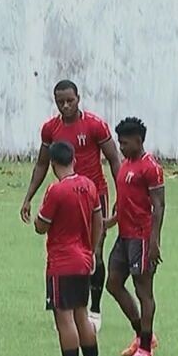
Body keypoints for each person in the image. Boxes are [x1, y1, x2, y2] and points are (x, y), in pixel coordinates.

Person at [20, 80, 121, 331]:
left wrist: (122, 195)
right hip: (66, 198)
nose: (65, 106)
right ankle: (73, 308)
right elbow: (42, 164)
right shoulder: (50, 129)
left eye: (70, 101)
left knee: (94, 251)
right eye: (60, 102)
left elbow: (113, 158)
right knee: (68, 251)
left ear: (79, 98)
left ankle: (94, 309)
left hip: (94, 194)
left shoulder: (95, 125)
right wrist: (29, 196)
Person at [34, 142, 104, 356]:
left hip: (62, 262)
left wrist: (37, 221)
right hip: (84, 259)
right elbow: (99, 220)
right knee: (81, 315)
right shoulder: (89, 185)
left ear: (53, 165)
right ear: (74, 159)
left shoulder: (56, 191)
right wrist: (94, 249)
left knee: (65, 320)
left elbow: (41, 225)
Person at [105, 117, 166, 356]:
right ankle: (143, 335)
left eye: (125, 143)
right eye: (119, 142)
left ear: (139, 141)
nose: (120, 147)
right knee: (113, 283)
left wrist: (154, 241)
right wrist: (110, 221)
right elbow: (126, 200)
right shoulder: (125, 165)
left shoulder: (150, 167)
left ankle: (145, 349)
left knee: (144, 291)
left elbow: (159, 206)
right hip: (124, 235)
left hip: (141, 237)